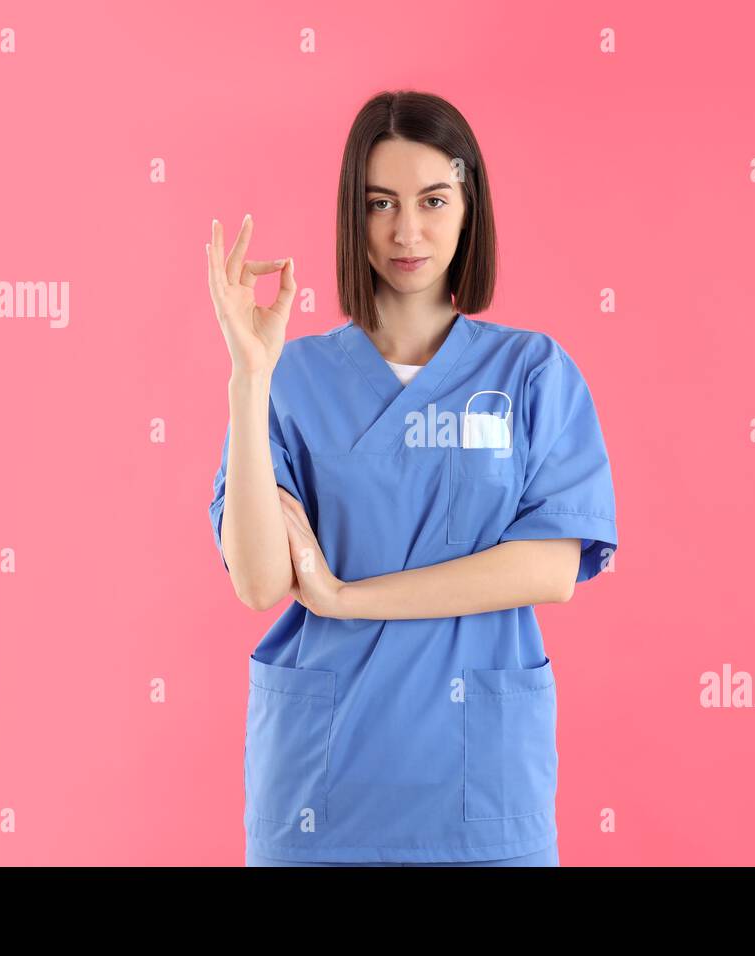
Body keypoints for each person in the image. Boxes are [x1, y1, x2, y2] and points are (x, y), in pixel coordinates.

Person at [206, 90, 618, 866]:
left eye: (432, 200)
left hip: (481, 793)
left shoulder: (531, 372)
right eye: (380, 202)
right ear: (351, 216)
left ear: (470, 208)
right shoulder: (293, 380)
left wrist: (345, 599)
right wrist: (248, 374)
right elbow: (260, 581)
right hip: (320, 794)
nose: (406, 231)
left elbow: (549, 569)